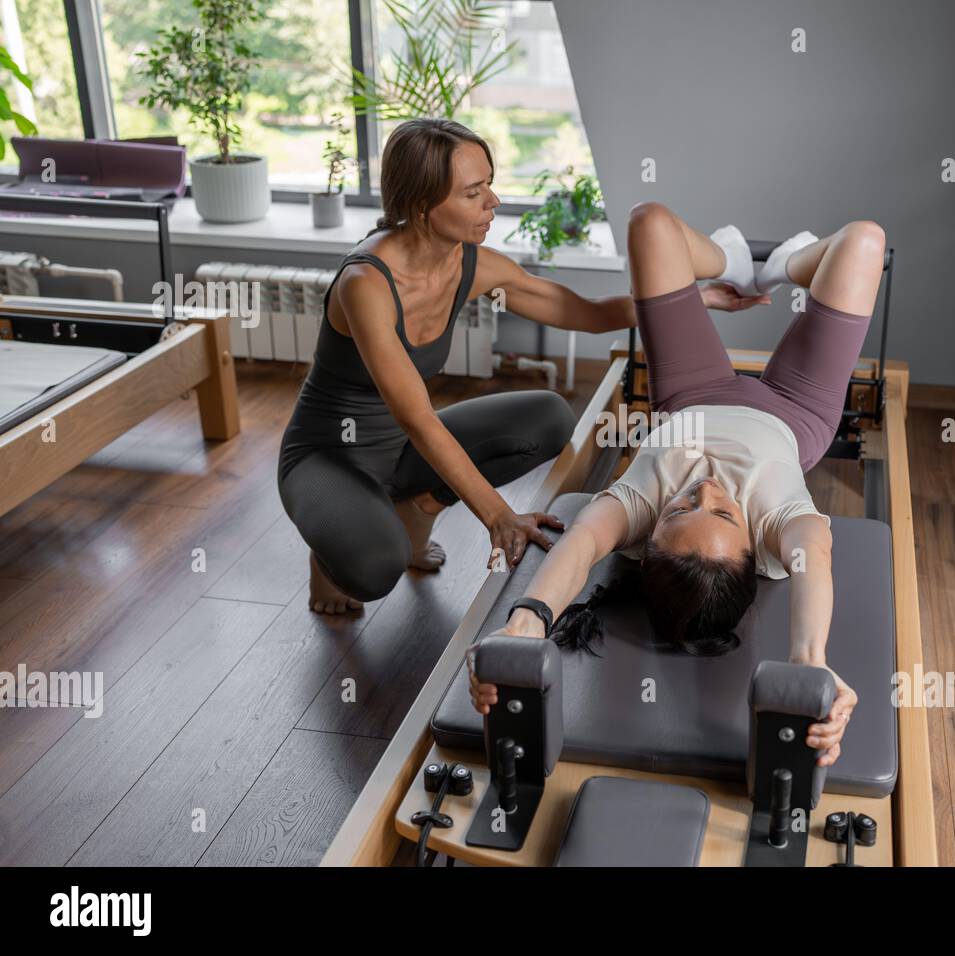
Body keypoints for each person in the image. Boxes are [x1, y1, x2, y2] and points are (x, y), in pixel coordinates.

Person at [469, 201, 887, 768]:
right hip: (796, 410)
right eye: (723, 514)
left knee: (649, 223)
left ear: (647, 543)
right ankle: (790, 264)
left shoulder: (637, 508)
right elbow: (815, 561)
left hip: (690, 392)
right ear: (754, 546)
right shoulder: (780, 521)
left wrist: (524, 621)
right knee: (863, 238)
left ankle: (733, 262)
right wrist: (810, 663)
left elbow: (580, 547)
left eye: (683, 507)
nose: (708, 489)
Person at [278, 118, 638, 614]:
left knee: (549, 418)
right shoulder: (366, 283)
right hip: (331, 457)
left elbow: (587, 313)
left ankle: (418, 506)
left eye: (489, 183)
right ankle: (329, 553)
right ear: (421, 205)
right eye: (473, 193)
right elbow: (417, 417)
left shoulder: (473, 264)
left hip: (402, 451)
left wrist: (683, 300)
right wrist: (500, 518)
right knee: (375, 568)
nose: (494, 201)